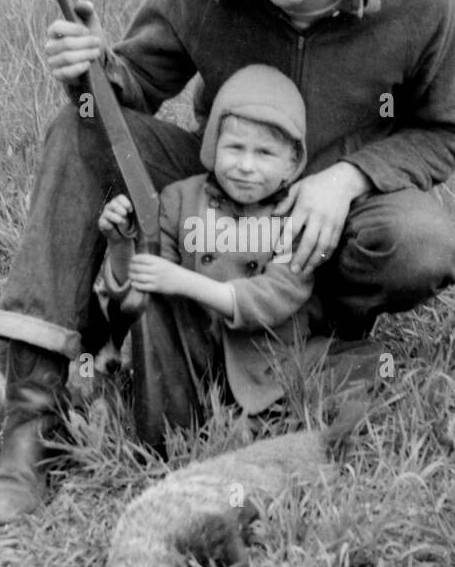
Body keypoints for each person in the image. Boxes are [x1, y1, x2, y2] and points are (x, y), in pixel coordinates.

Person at [0, 0, 455, 524]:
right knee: (79, 130)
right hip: (218, 189)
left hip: (328, 215)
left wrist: (351, 178)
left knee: (418, 243)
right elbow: (133, 90)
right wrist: (93, 65)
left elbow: (445, 132)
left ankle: (308, 336)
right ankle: (30, 417)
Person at [98, 63, 330, 420]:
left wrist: (185, 281)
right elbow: (141, 295)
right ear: (212, 146)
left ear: (292, 162)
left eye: (265, 153)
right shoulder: (178, 200)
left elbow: (273, 298)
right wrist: (120, 245)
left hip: (265, 360)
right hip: (192, 356)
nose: (246, 166)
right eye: (235, 147)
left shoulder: (297, 216)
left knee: (351, 372)